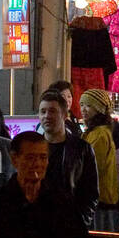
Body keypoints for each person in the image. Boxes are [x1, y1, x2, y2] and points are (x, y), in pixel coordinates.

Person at [38, 89, 99, 226]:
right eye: (43, 111)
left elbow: (90, 191)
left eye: (52, 111)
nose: (47, 116)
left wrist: (81, 222)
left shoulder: (81, 148)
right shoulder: (33, 149)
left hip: (71, 225)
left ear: (65, 115)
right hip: (38, 226)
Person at [79, 88, 119, 238]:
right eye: (82, 105)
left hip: (100, 197)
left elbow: (91, 166)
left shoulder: (98, 135)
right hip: (103, 195)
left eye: (88, 105)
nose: (84, 110)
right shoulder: (99, 132)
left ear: (100, 109)